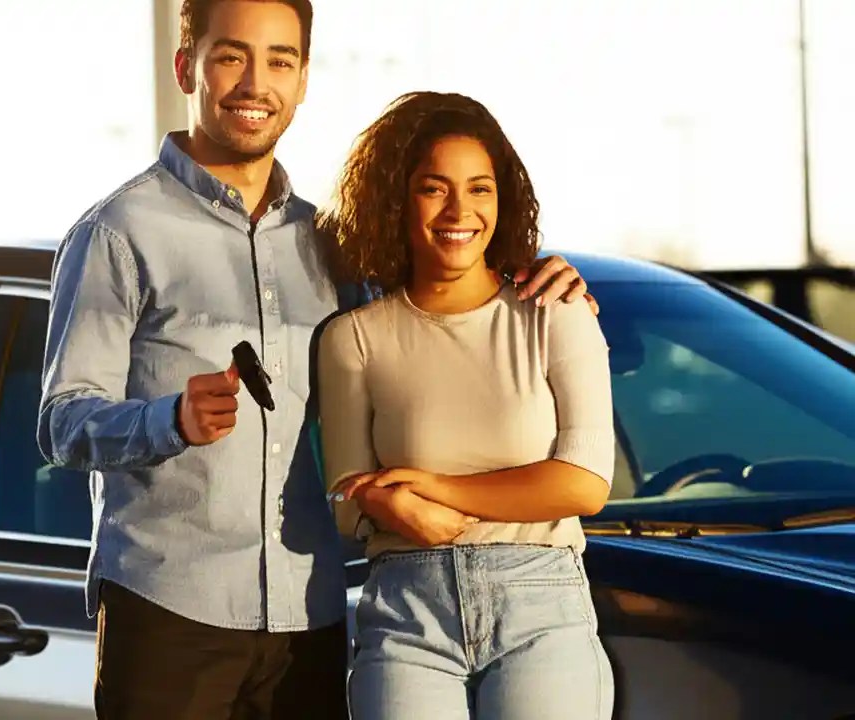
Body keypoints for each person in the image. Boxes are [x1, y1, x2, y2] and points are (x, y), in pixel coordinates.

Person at [37, 2, 595, 717]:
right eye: (231, 56)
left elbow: (441, 318)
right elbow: (61, 421)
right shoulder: (118, 233)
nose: (255, 84)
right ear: (187, 66)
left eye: (279, 61)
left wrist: (536, 275)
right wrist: (166, 418)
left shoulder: (333, 246)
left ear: (302, 81)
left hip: (311, 616)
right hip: (169, 611)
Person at [318, 90, 616, 720]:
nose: (461, 210)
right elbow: (346, 500)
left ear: (502, 200)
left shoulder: (556, 315)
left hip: (541, 608)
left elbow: (585, 484)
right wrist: (379, 500)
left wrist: (431, 489)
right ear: (396, 198)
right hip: (406, 615)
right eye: (435, 188)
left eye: (480, 188)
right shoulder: (355, 339)